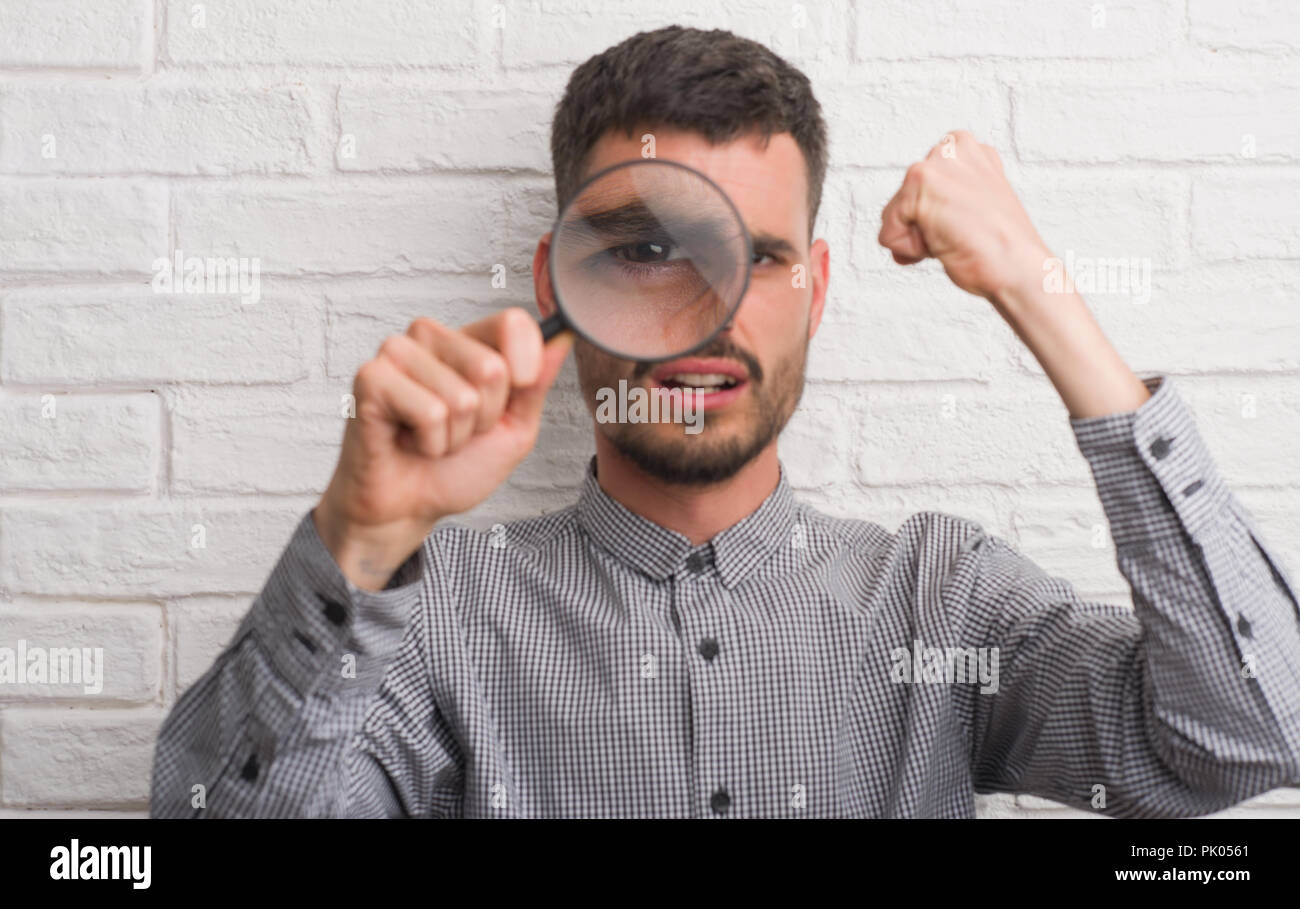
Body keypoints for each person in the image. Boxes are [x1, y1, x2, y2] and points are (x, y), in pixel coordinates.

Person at [151, 25, 1300, 818]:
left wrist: (1045, 300)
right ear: (553, 282)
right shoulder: (434, 610)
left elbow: (1245, 740)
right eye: (646, 251)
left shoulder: (942, 597)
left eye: (758, 258)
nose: (704, 314)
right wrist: (357, 541)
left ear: (819, 285)